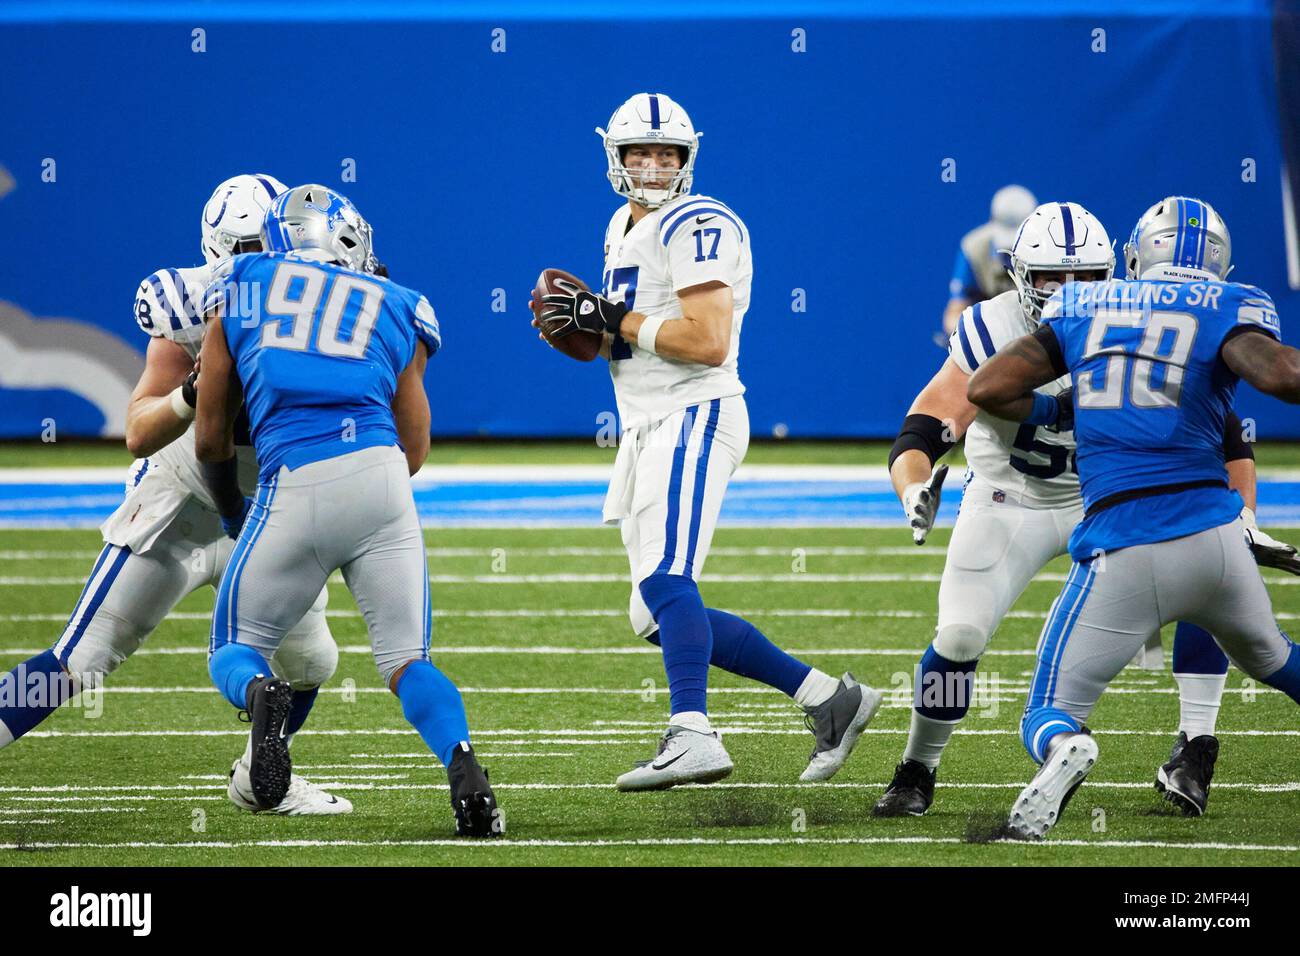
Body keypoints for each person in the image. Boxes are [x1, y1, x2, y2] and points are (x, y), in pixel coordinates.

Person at [534, 92, 882, 791]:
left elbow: (709, 342)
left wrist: (616, 319)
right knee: (653, 611)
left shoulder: (700, 221)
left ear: (688, 159)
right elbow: (625, 331)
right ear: (616, 158)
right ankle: (829, 699)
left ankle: (691, 731)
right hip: (648, 423)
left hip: (694, 412)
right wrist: (588, 328)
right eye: (641, 153)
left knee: (668, 580)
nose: (655, 167)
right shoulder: (620, 225)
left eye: (668, 154)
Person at [0, 174, 349, 815]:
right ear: (217, 250)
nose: (260, 261)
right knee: (81, 658)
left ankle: (258, 780)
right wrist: (192, 393)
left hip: (267, 513)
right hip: (182, 506)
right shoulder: (186, 307)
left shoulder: (321, 300)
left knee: (311, 663)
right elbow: (137, 430)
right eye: (245, 248)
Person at [966, 195, 1300, 839]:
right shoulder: (1228, 306)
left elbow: (986, 389)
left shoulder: (1083, 306)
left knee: (1045, 711)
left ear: (1135, 255)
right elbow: (1283, 376)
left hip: (1126, 540)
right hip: (1218, 539)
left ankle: (1067, 748)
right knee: (1279, 660)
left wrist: (1061, 413)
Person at [195, 184, 500, 836]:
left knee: (234, 645)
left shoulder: (242, 283)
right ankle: (465, 768)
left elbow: (209, 435)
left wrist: (230, 511)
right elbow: (414, 449)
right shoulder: (398, 302)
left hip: (292, 481)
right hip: (382, 480)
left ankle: (260, 696)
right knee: (406, 661)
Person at [941, 184, 1037, 337]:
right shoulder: (973, 248)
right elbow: (954, 311)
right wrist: (965, 338)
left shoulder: (1053, 250)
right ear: (991, 221)